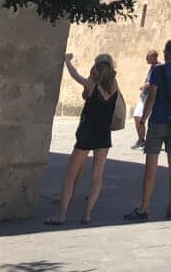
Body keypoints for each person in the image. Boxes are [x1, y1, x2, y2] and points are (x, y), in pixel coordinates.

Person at [125, 37, 171, 221]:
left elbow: (152, 97)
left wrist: (142, 120)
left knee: (151, 167)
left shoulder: (158, 70)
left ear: (165, 52)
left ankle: (144, 208)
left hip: (157, 122)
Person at [47, 52, 121, 226]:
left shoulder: (91, 85)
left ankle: (62, 215)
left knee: (70, 176)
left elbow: (74, 75)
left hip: (87, 133)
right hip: (104, 135)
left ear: (96, 68)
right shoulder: (114, 86)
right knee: (97, 176)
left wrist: (67, 61)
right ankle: (87, 214)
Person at [131, 47, 159, 150]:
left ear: (154, 57)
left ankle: (145, 141)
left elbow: (155, 83)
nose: (146, 59)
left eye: (148, 57)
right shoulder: (152, 67)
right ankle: (141, 139)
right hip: (144, 96)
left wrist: (146, 86)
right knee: (137, 116)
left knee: (141, 117)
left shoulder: (158, 68)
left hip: (150, 96)